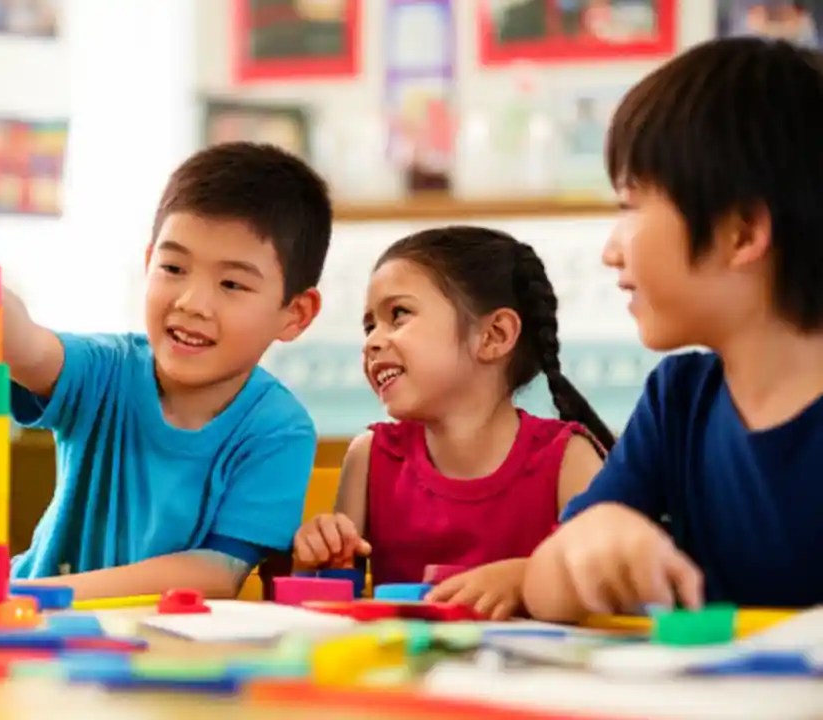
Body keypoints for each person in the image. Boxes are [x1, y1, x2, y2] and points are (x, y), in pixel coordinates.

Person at [0, 142, 332, 600]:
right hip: (33, 620)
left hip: (139, 642)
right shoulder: (108, 369)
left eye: (232, 284)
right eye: (174, 267)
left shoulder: (279, 430)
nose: (191, 302)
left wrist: (41, 594)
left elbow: (214, 575)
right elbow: (30, 349)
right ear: (148, 263)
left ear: (296, 314)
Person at [523, 37, 823, 621]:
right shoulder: (679, 399)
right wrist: (590, 542)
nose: (612, 250)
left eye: (630, 206)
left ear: (740, 234)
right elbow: (542, 584)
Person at [292, 227, 615, 620]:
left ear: (494, 335)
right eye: (369, 326)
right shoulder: (369, 457)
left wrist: (527, 577)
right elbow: (338, 603)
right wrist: (318, 560)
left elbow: (610, 580)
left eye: (398, 315)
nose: (372, 342)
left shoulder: (568, 458)